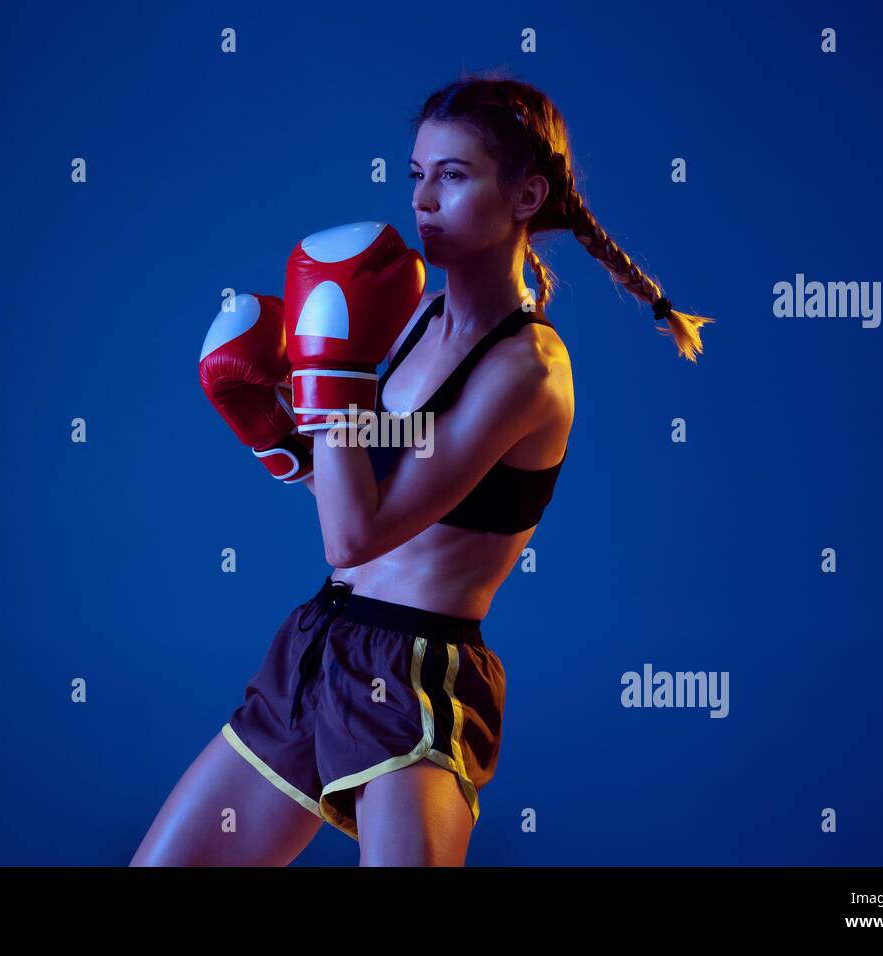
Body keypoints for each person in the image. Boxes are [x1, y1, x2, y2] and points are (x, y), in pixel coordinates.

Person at [131, 73, 712, 868]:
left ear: (526, 196)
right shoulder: (410, 324)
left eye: (454, 175)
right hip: (317, 644)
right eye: (416, 175)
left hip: (414, 672)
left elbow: (355, 534)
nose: (423, 201)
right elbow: (358, 491)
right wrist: (272, 432)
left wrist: (328, 377)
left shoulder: (527, 368)